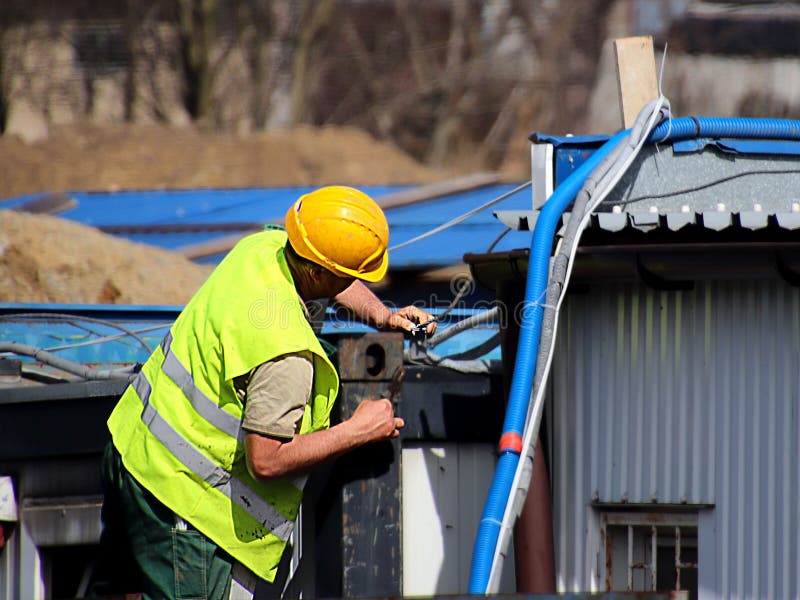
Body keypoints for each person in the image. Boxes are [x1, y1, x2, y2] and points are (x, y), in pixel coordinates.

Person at [91, 186, 436, 599]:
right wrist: (358, 430)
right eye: (349, 274)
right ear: (319, 273)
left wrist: (381, 314)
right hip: (182, 505)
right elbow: (267, 461)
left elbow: (328, 273)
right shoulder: (285, 352)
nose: (354, 282)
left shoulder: (263, 248)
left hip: (132, 448)